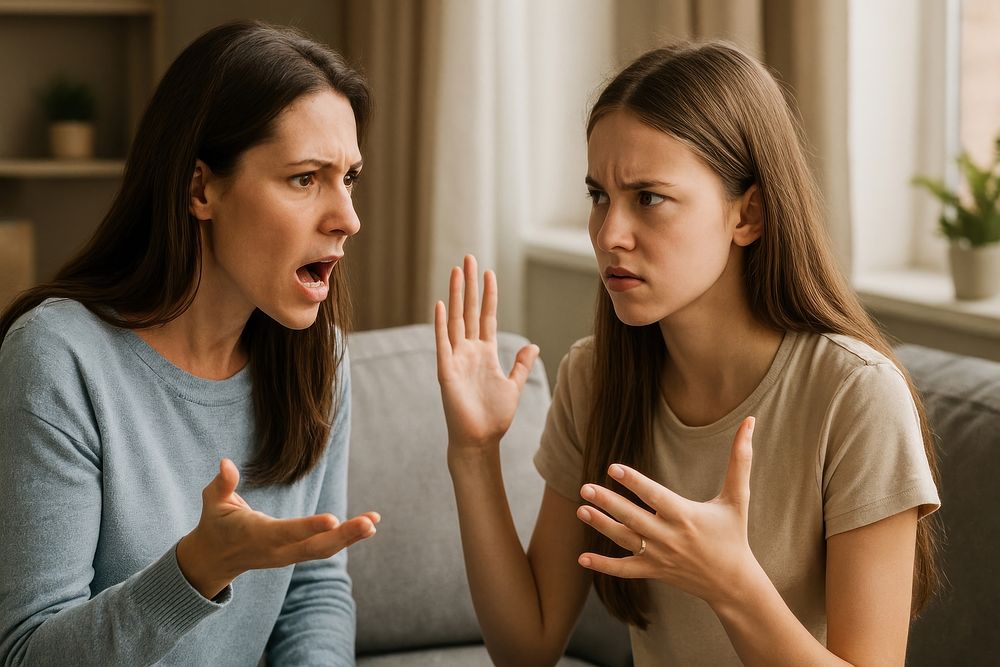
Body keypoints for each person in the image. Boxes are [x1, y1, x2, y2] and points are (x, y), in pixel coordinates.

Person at [434, 41, 941, 666]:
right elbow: (526, 649)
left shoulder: (857, 395)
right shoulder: (595, 378)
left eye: (648, 197)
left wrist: (731, 583)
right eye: (599, 196)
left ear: (747, 214)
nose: (609, 234)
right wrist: (474, 453)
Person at [0, 21, 379, 666]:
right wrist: (194, 571)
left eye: (349, 177)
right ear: (201, 188)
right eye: (305, 179)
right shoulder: (59, 358)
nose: (348, 217)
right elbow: (29, 653)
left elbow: (312, 591)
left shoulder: (320, 360)